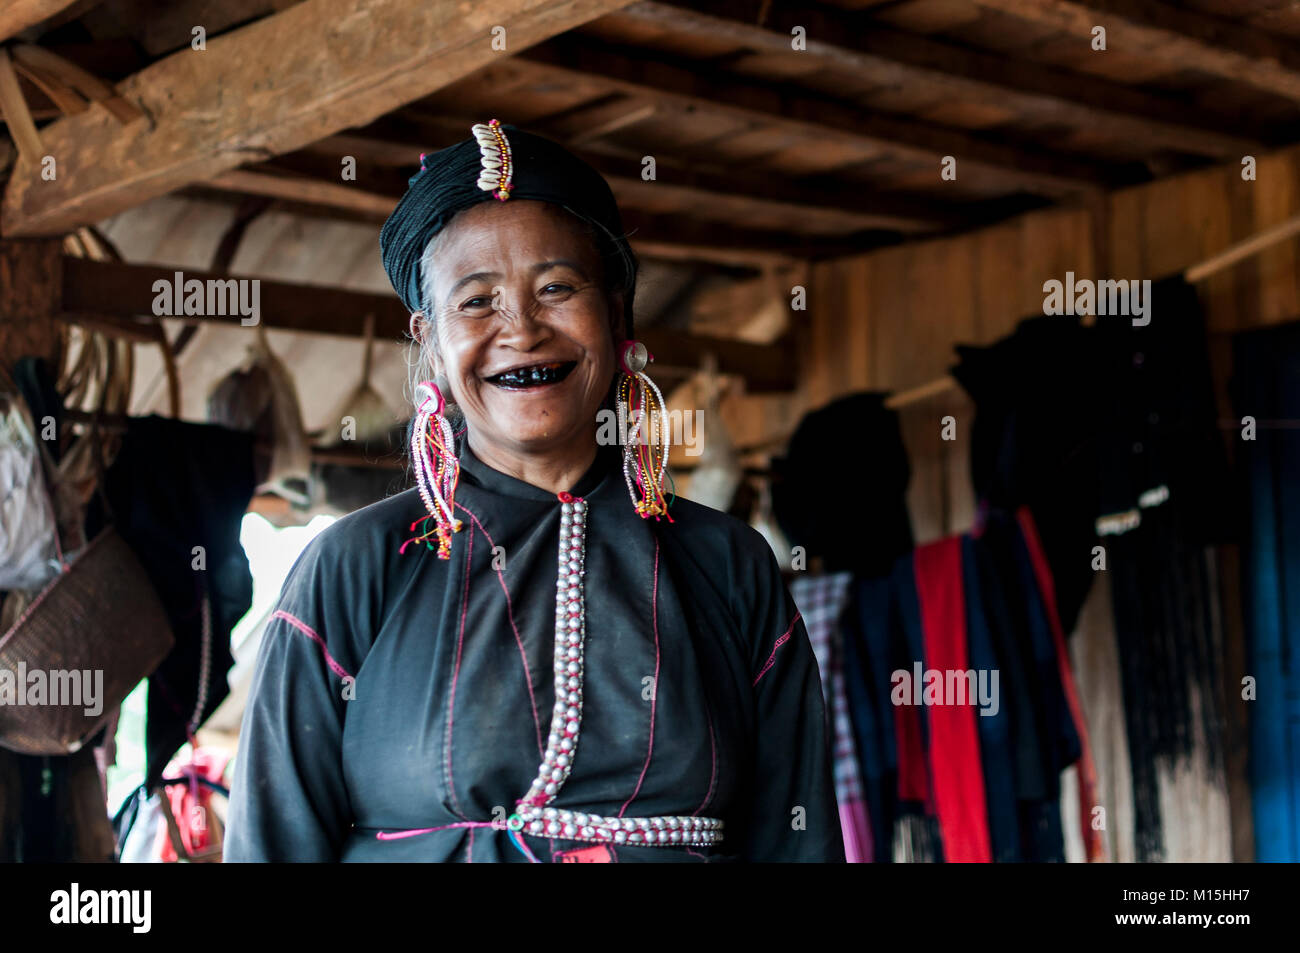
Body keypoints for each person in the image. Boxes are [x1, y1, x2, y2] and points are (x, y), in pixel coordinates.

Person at [224, 121, 844, 862]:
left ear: (617, 319)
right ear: (430, 343)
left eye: (556, 288)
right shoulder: (354, 568)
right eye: (476, 301)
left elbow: (796, 838)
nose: (520, 329)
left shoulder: (727, 565)